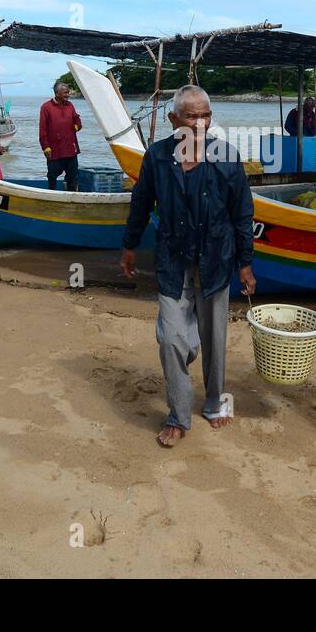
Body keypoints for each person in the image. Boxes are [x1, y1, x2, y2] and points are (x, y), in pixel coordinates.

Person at [120, 84, 256, 449]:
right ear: (173, 119)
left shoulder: (226, 157)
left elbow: (243, 214)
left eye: (206, 115)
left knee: (215, 341)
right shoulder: (158, 157)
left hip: (216, 259)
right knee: (170, 340)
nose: (200, 123)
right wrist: (129, 245)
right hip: (172, 260)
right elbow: (141, 202)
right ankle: (178, 416)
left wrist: (246, 263)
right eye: (191, 116)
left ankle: (214, 403)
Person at [39, 81, 83, 191]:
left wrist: (77, 126)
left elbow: (76, 118)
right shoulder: (46, 107)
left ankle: (71, 197)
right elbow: (42, 129)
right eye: (65, 93)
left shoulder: (70, 105)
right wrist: (45, 147)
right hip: (54, 149)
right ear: (57, 93)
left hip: (70, 148)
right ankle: (51, 195)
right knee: (52, 176)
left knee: (73, 177)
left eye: (68, 92)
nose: (68, 95)